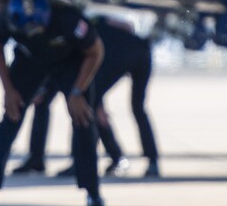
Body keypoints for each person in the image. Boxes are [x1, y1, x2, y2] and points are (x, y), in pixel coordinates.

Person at [0, 0, 106, 206]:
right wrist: (8, 90)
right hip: (30, 60)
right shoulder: (6, 19)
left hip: (69, 62)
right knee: (11, 117)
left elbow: (96, 51)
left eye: (37, 27)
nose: (34, 32)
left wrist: (77, 92)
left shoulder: (67, 17)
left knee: (83, 118)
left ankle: (92, 191)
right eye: (28, 29)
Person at [20, 17, 161, 179]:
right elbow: (127, 26)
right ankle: (152, 162)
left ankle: (88, 161)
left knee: (85, 106)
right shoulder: (94, 21)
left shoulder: (72, 42)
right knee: (137, 108)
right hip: (142, 50)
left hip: (113, 58)